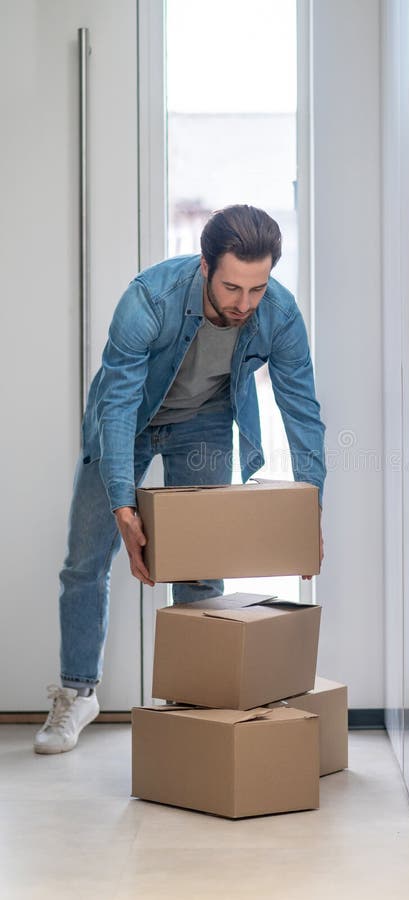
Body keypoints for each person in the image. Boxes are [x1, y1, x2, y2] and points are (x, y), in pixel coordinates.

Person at [34, 205, 326, 754]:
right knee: (86, 560)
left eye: (257, 289)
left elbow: (302, 411)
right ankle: (78, 690)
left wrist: (311, 509)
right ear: (205, 265)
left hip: (205, 424)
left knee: (198, 567)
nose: (244, 305)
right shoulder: (149, 299)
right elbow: (118, 404)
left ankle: (197, 704)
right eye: (232, 287)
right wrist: (125, 506)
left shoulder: (280, 314)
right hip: (130, 422)